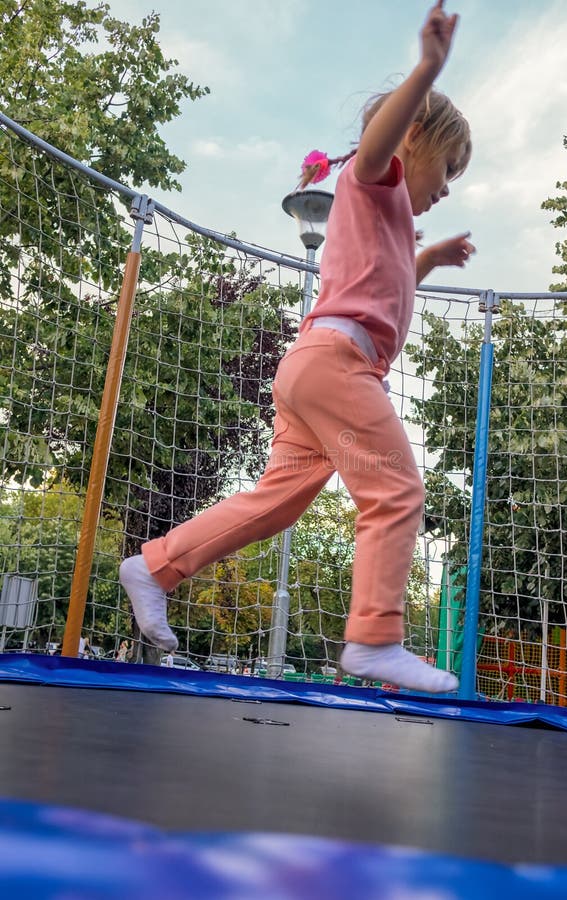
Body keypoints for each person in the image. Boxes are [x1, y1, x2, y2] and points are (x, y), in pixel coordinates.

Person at [120, 1, 474, 694]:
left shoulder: (394, 224)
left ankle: (155, 565)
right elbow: (378, 145)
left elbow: (394, 275)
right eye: (448, 168)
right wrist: (428, 67)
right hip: (337, 367)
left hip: (310, 371)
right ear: (414, 139)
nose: (448, 186)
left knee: (277, 503)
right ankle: (374, 638)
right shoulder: (374, 178)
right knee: (397, 488)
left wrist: (430, 256)